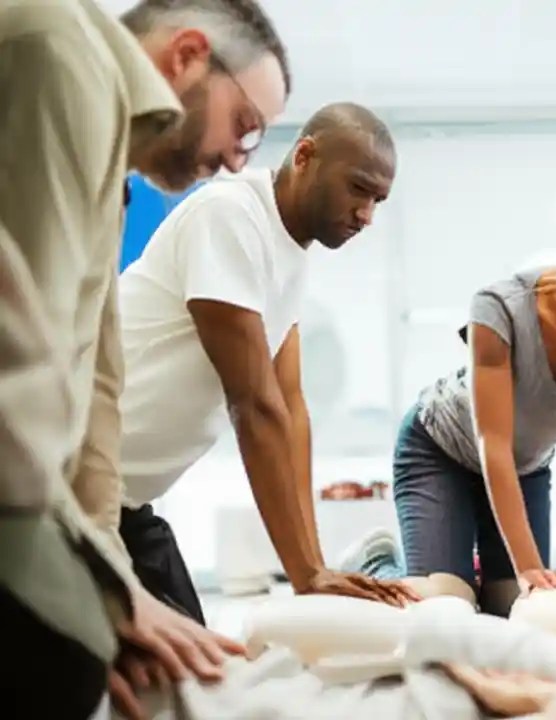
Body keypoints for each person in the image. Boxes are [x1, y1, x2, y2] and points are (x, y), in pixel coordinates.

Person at [0, 0, 289, 717]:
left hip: (35, 476)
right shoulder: (61, 55)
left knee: (113, 654)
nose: (233, 159)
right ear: (188, 53)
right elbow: (22, 380)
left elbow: (95, 389)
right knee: (66, 661)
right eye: (243, 127)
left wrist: (111, 572)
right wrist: (102, 588)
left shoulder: (114, 167)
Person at [116, 102, 417, 628]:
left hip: (126, 506)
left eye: (378, 200)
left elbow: (291, 406)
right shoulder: (229, 215)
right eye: (359, 189)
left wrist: (315, 568)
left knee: (197, 677)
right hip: (65, 490)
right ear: (304, 156)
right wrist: (305, 575)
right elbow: (254, 405)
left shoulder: (290, 257)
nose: (367, 215)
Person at [346, 175, 556, 617]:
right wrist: (529, 565)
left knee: (516, 608)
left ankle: (471, 572)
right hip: (440, 450)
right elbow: (492, 442)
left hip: (526, 467)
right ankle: (379, 564)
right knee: (446, 606)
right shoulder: (499, 307)